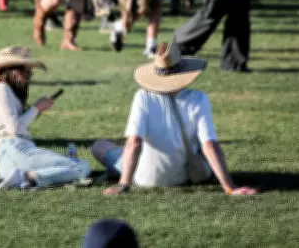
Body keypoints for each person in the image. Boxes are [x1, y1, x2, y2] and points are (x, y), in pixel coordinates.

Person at [93, 42, 256, 195]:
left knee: (100, 145)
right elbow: (209, 145)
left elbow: (134, 142)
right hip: (192, 174)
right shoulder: (199, 98)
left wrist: (124, 184)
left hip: (147, 178)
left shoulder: (143, 96)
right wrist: (230, 188)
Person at [0, 46, 91, 188]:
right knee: (81, 166)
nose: (29, 77)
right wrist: (36, 107)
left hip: (8, 161)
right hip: (17, 150)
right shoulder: (3, 89)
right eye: (26, 73)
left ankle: (21, 177)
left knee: (72, 166)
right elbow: (14, 129)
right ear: (13, 71)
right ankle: (25, 177)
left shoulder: (1, 90)